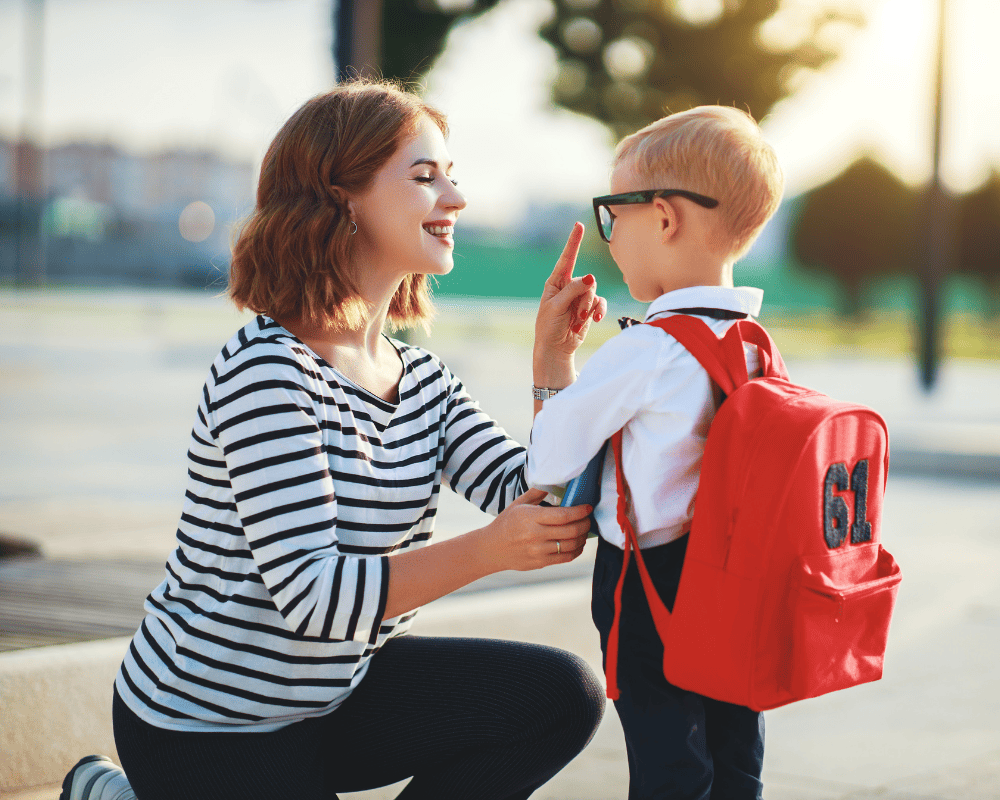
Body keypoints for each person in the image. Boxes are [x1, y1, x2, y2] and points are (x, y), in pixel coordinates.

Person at [60, 79, 609, 800]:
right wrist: (488, 549)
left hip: (336, 698)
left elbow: (540, 498)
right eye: (425, 176)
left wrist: (553, 363)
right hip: (209, 723)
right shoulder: (267, 372)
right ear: (342, 197)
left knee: (559, 696)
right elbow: (316, 598)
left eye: (451, 175)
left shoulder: (422, 379)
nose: (455, 198)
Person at [526, 106, 784, 800]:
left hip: (650, 583)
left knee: (667, 755)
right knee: (734, 746)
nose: (609, 236)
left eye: (613, 216)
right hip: (736, 575)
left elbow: (548, 462)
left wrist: (553, 362)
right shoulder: (756, 344)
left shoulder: (648, 350)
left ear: (664, 218)